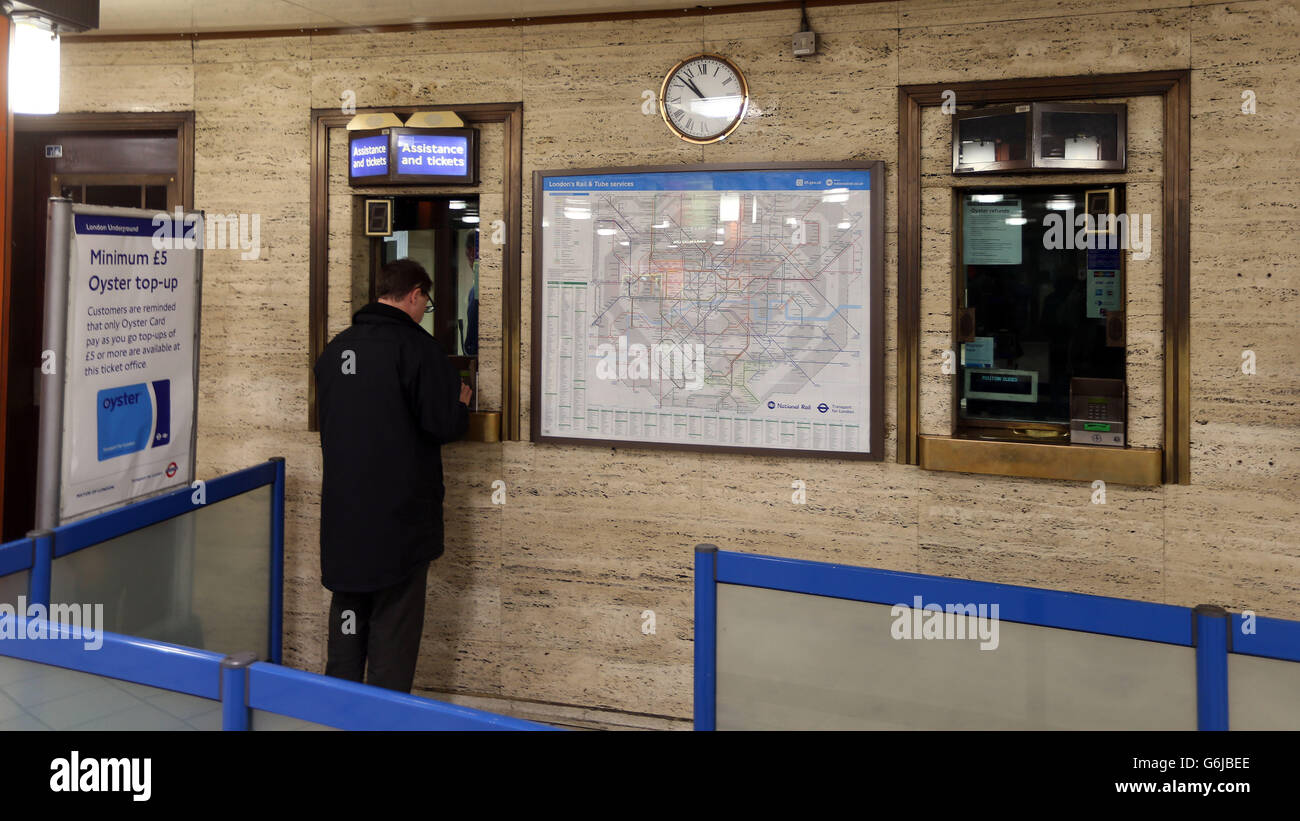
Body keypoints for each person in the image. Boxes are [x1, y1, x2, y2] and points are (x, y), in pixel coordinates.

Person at [313, 258, 472, 692]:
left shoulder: (335, 350)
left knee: (346, 629)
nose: (426, 309)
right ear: (415, 294)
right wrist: (460, 404)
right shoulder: (418, 350)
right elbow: (443, 425)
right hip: (398, 528)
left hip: (344, 525)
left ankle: (337, 717)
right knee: (392, 641)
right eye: (427, 301)